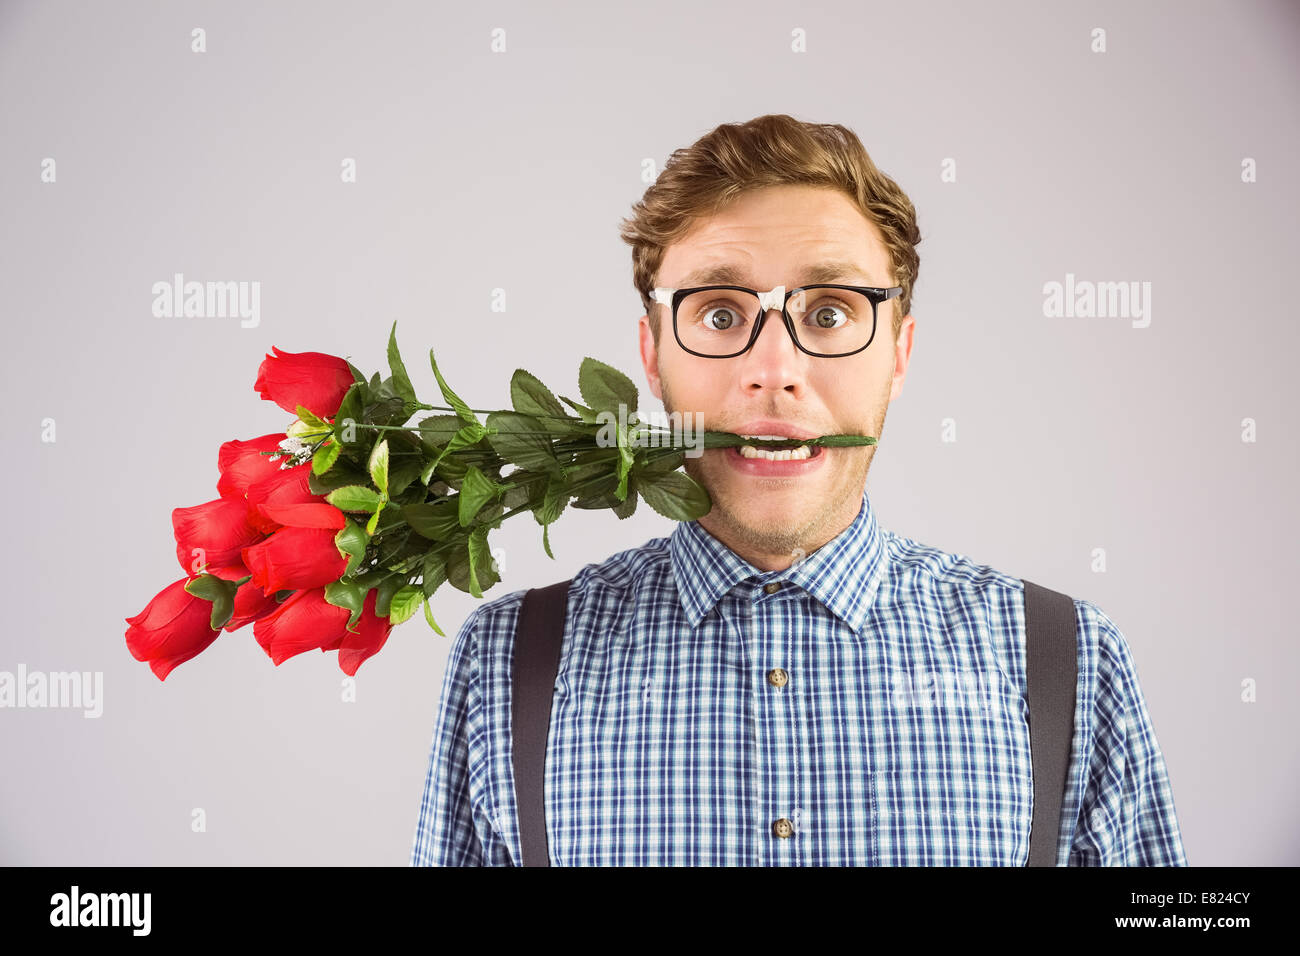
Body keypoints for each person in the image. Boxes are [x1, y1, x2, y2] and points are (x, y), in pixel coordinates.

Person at [409, 113, 1187, 866]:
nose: (774, 369)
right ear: (651, 356)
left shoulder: (1070, 662)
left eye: (829, 312)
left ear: (898, 352)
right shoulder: (506, 664)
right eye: (719, 313)